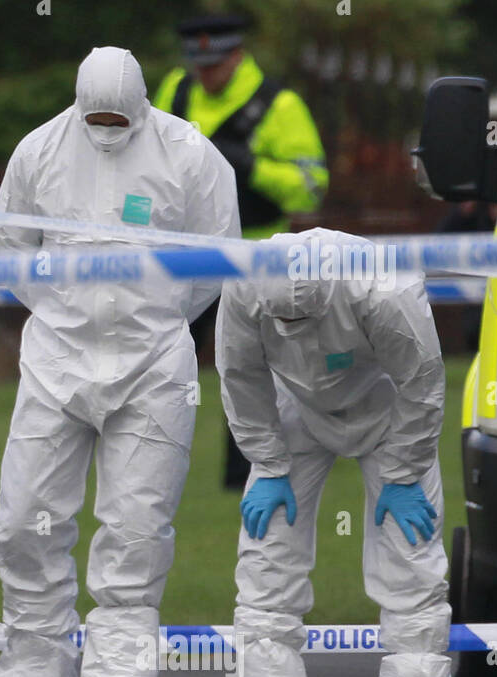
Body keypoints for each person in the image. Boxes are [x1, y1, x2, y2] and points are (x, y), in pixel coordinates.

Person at [0, 47, 240, 677]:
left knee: (136, 529)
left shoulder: (189, 155)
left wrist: (153, 319)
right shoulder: (37, 152)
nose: (105, 128)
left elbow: (218, 257)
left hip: (154, 371)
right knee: (24, 520)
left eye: (116, 118)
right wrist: (64, 313)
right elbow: (9, 248)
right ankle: (35, 668)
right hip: (54, 365)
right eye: (94, 117)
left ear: (141, 106)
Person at [216, 228, 452, 677]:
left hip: (389, 405)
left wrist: (404, 473)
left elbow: (422, 381)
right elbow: (240, 375)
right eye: (283, 322)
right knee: (267, 545)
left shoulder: (386, 287)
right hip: (294, 404)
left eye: (303, 320)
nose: (293, 331)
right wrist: (268, 463)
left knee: (410, 555)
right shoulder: (243, 283)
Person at [154, 13, 329, 490]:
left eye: (214, 65)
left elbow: (311, 189)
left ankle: (250, 473)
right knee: (162, 359)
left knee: (253, 369)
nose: (204, 75)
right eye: (197, 64)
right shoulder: (175, 90)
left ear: (237, 55)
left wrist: (252, 167)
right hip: (188, 255)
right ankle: (153, 461)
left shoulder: (279, 104)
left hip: (257, 257)